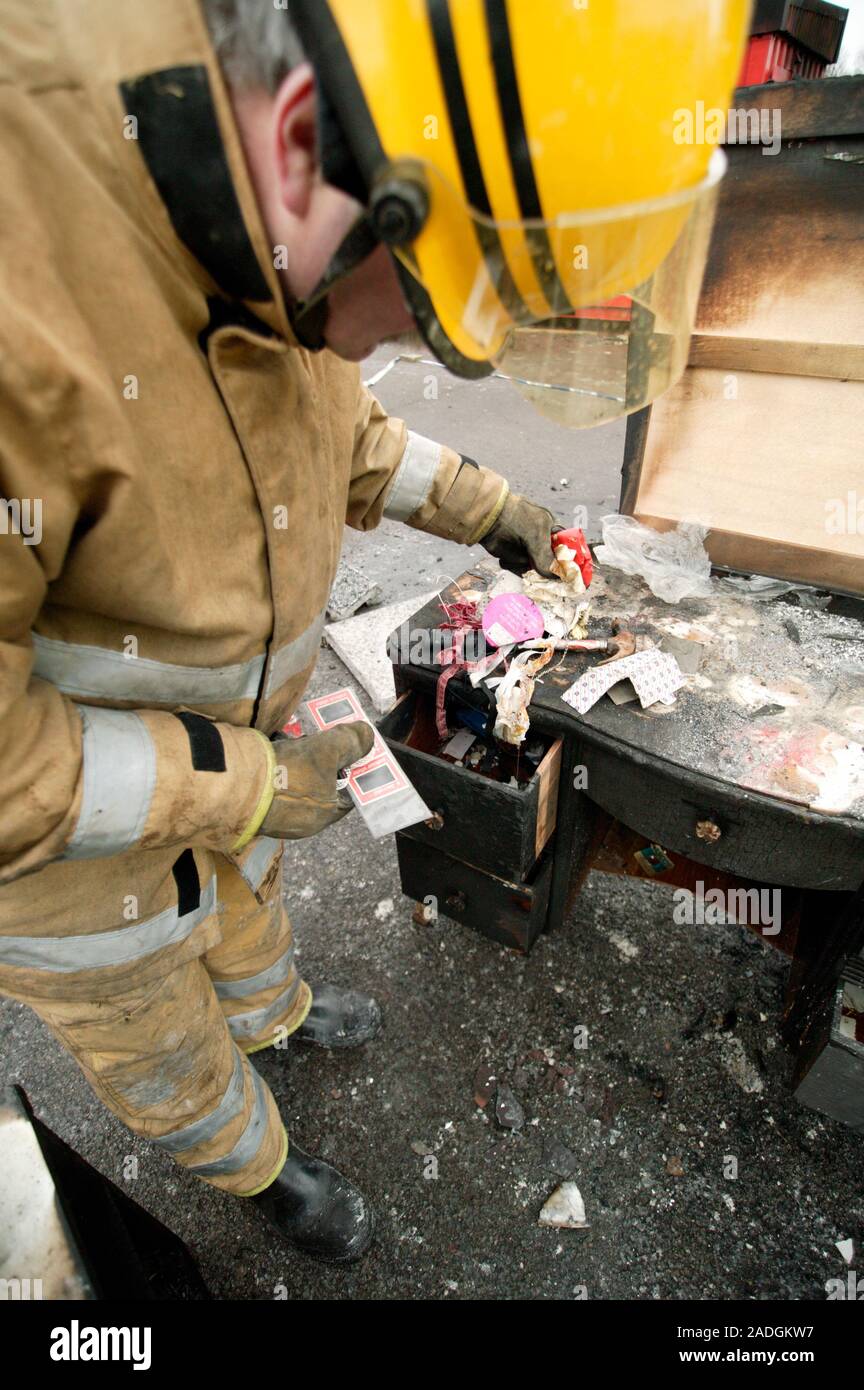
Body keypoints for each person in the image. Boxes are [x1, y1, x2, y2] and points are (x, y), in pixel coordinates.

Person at [0, 0, 748, 1263]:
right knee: (159, 1034)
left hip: (240, 772)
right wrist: (239, 786)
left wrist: (504, 514)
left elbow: (347, 436)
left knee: (247, 923)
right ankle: (262, 1172)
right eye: (420, 315)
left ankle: (278, 1016)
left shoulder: (270, 211)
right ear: (299, 145)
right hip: (80, 880)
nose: (409, 347)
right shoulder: (34, 314)